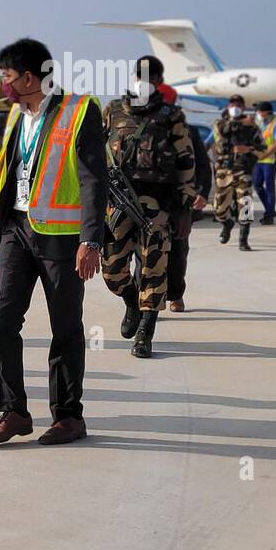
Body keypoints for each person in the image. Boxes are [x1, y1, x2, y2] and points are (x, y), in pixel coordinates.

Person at [0, 38, 106, 445]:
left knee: (65, 326)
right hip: (16, 230)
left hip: (63, 239)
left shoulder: (80, 111)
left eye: (7, 77)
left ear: (30, 77)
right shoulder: (16, 115)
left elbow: (93, 179)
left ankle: (69, 416)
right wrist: (1, 241)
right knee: (3, 322)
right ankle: (13, 412)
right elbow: (12, 176)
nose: (3, 85)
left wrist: (91, 240)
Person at [100, 55, 202, 357]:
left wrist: (185, 211)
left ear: (159, 81)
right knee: (113, 272)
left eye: (151, 77)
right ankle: (131, 302)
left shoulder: (172, 117)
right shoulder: (114, 111)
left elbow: (187, 163)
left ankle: (145, 333)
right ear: (133, 77)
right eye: (140, 75)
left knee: (153, 270)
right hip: (117, 204)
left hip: (158, 207)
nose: (144, 81)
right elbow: (94, 154)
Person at [161, 84, 212, 313]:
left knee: (178, 251)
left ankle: (175, 294)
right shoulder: (137, 129)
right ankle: (148, 299)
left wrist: (202, 192)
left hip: (180, 203)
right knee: (144, 254)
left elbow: (203, 164)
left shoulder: (189, 131)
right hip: (147, 204)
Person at [212, 95, 265, 251]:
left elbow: (262, 149)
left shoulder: (253, 128)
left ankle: (243, 239)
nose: (235, 107)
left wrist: (248, 149)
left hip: (244, 171)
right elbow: (223, 132)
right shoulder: (220, 123)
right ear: (228, 106)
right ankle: (226, 223)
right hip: (224, 171)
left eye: (239, 104)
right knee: (219, 209)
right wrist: (241, 122)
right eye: (233, 104)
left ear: (243, 107)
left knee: (246, 205)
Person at [252, 100, 276, 224]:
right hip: (258, 160)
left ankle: (269, 215)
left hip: (270, 160)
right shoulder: (259, 124)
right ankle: (270, 209)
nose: (257, 113)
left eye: (259, 111)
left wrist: (263, 155)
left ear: (266, 112)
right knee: (257, 184)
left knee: (269, 187)